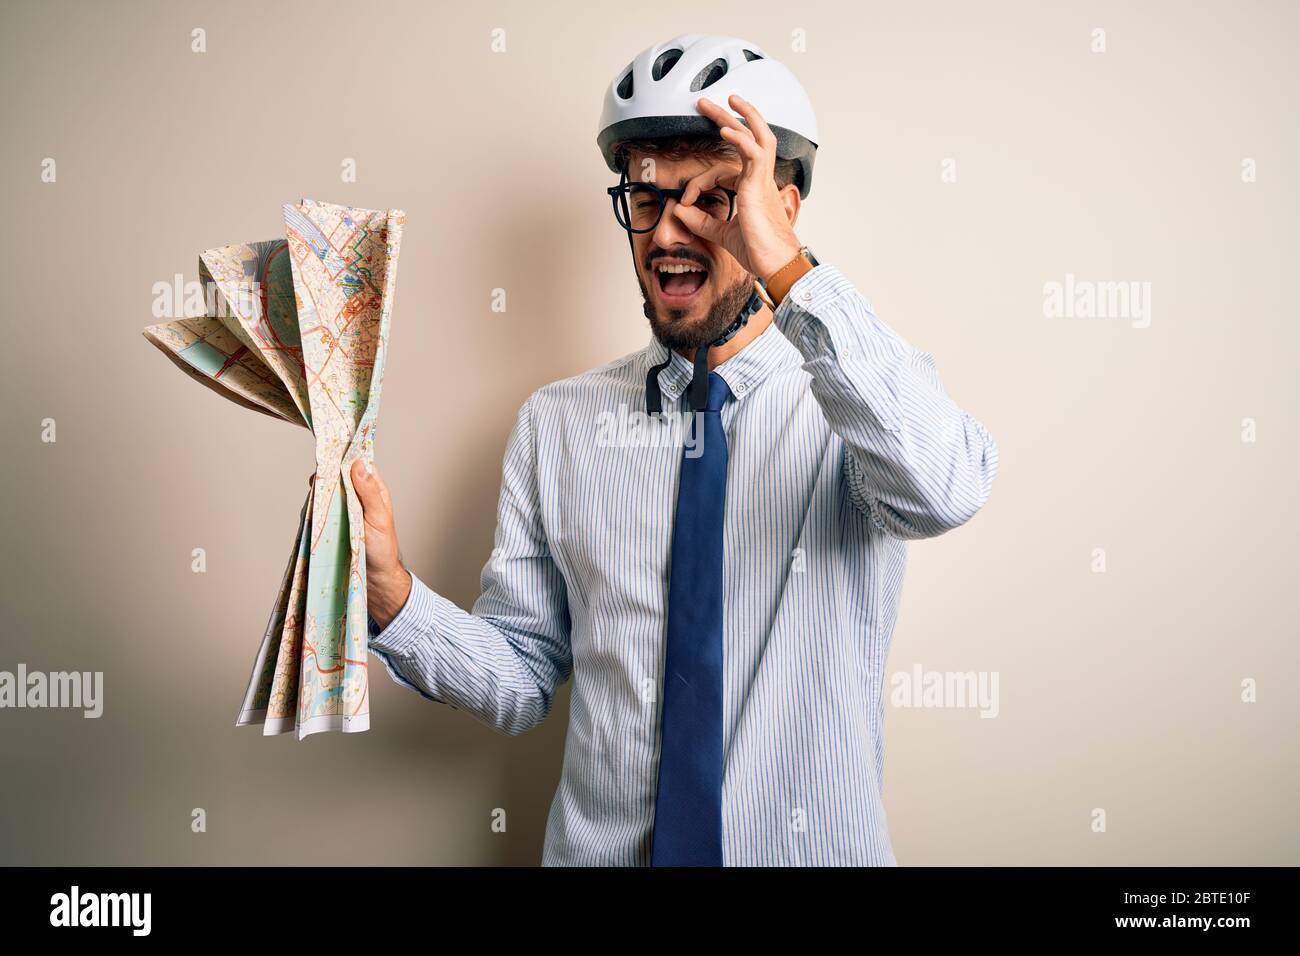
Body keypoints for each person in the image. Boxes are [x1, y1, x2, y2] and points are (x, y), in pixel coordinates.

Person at [350, 33, 998, 866]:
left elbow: (943, 488)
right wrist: (392, 595)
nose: (667, 233)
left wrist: (790, 273)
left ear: (782, 210)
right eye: (647, 199)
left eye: (711, 197)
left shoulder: (857, 405)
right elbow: (520, 679)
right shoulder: (558, 425)